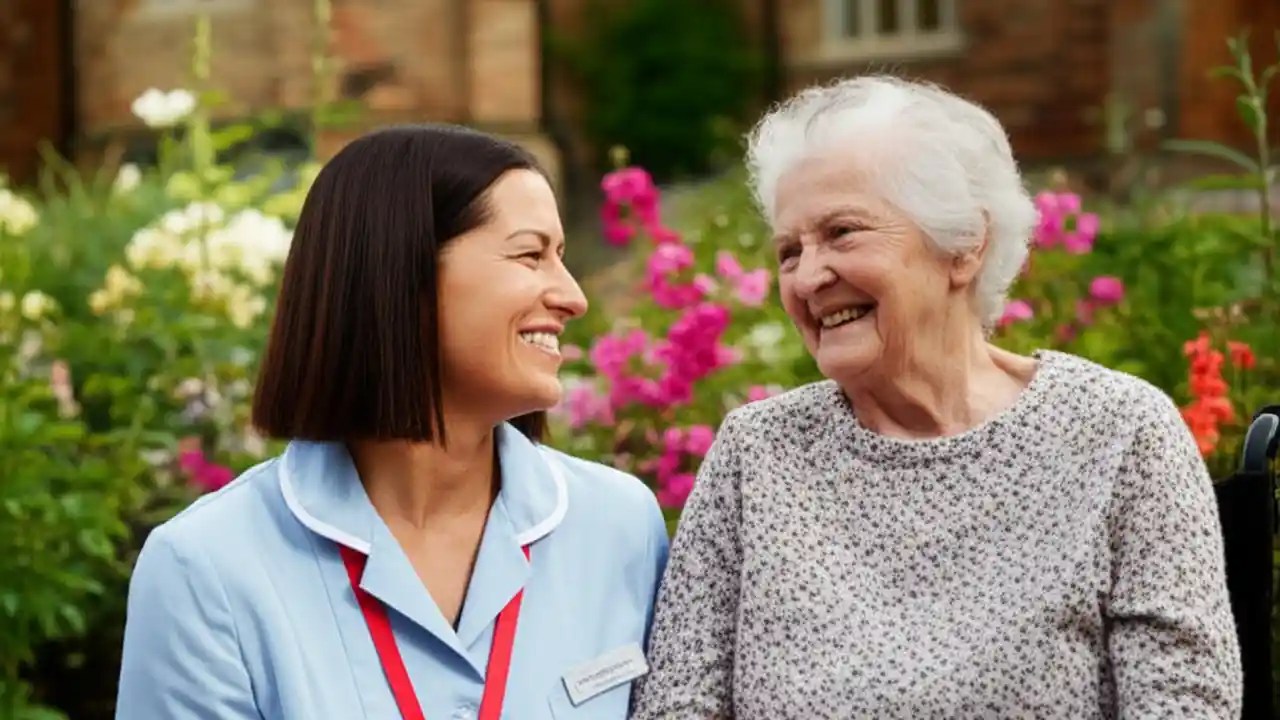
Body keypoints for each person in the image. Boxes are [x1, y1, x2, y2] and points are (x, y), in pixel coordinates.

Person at [630, 76, 1242, 719]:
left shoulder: (1118, 433)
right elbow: (678, 706)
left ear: (964, 247)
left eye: (842, 233)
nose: (808, 277)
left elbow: (1182, 704)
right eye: (789, 251)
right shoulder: (758, 455)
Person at [116, 124, 668, 720]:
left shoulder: (621, 528)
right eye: (530, 254)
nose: (572, 296)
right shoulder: (207, 568)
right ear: (401, 273)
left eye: (560, 257)